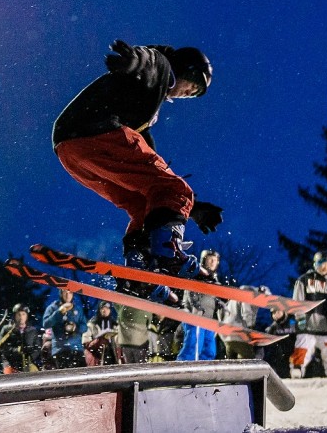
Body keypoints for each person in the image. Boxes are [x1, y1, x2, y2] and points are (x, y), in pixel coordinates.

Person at [52, 41, 222, 301]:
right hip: (97, 131)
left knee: (144, 202)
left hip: (71, 151)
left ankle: (138, 268)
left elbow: (153, 165)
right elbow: (150, 60)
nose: (188, 93)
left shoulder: (145, 108)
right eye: (192, 86)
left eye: (193, 94)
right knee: (176, 189)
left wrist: (192, 208)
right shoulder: (163, 68)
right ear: (185, 70)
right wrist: (132, 61)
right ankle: (168, 254)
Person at [291, 251, 327, 378]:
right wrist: (300, 317)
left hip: (325, 327)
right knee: (303, 346)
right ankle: (297, 369)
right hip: (307, 325)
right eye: (323, 264)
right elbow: (297, 300)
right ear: (316, 264)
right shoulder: (304, 280)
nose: (326, 267)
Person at [177, 249, 222, 361]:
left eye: (214, 260)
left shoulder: (214, 280)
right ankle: (183, 368)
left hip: (209, 319)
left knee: (209, 350)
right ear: (203, 261)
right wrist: (196, 307)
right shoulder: (197, 274)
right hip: (195, 316)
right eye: (209, 259)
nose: (212, 262)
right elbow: (190, 292)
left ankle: (204, 372)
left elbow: (214, 301)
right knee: (194, 346)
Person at [42, 289, 87, 369]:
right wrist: (59, 312)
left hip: (77, 349)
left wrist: (76, 328)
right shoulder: (53, 307)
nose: (67, 295)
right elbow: (46, 324)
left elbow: (85, 327)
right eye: (65, 292)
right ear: (60, 293)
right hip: (60, 350)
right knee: (65, 377)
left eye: (70, 292)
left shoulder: (78, 308)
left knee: (81, 376)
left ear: (73, 294)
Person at [0, 303, 42, 373]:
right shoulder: (7, 329)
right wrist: (17, 350)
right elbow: (3, 347)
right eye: (19, 314)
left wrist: (30, 357)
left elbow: (37, 347)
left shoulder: (32, 330)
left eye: (23, 314)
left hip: (27, 363)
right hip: (10, 363)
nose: (21, 317)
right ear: (15, 316)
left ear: (27, 316)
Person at [264, 308, 297, 378]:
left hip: (292, 353)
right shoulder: (273, 327)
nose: (276, 315)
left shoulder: (292, 322)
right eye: (273, 313)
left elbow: (297, 335)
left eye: (278, 312)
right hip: (280, 356)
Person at [84, 302, 119, 366]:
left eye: (107, 308)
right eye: (103, 308)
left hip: (112, 351)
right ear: (99, 310)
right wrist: (99, 340)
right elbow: (86, 342)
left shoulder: (114, 324)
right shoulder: (92, 324)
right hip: (97, 354)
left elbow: (118, 341)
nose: (105, 310)